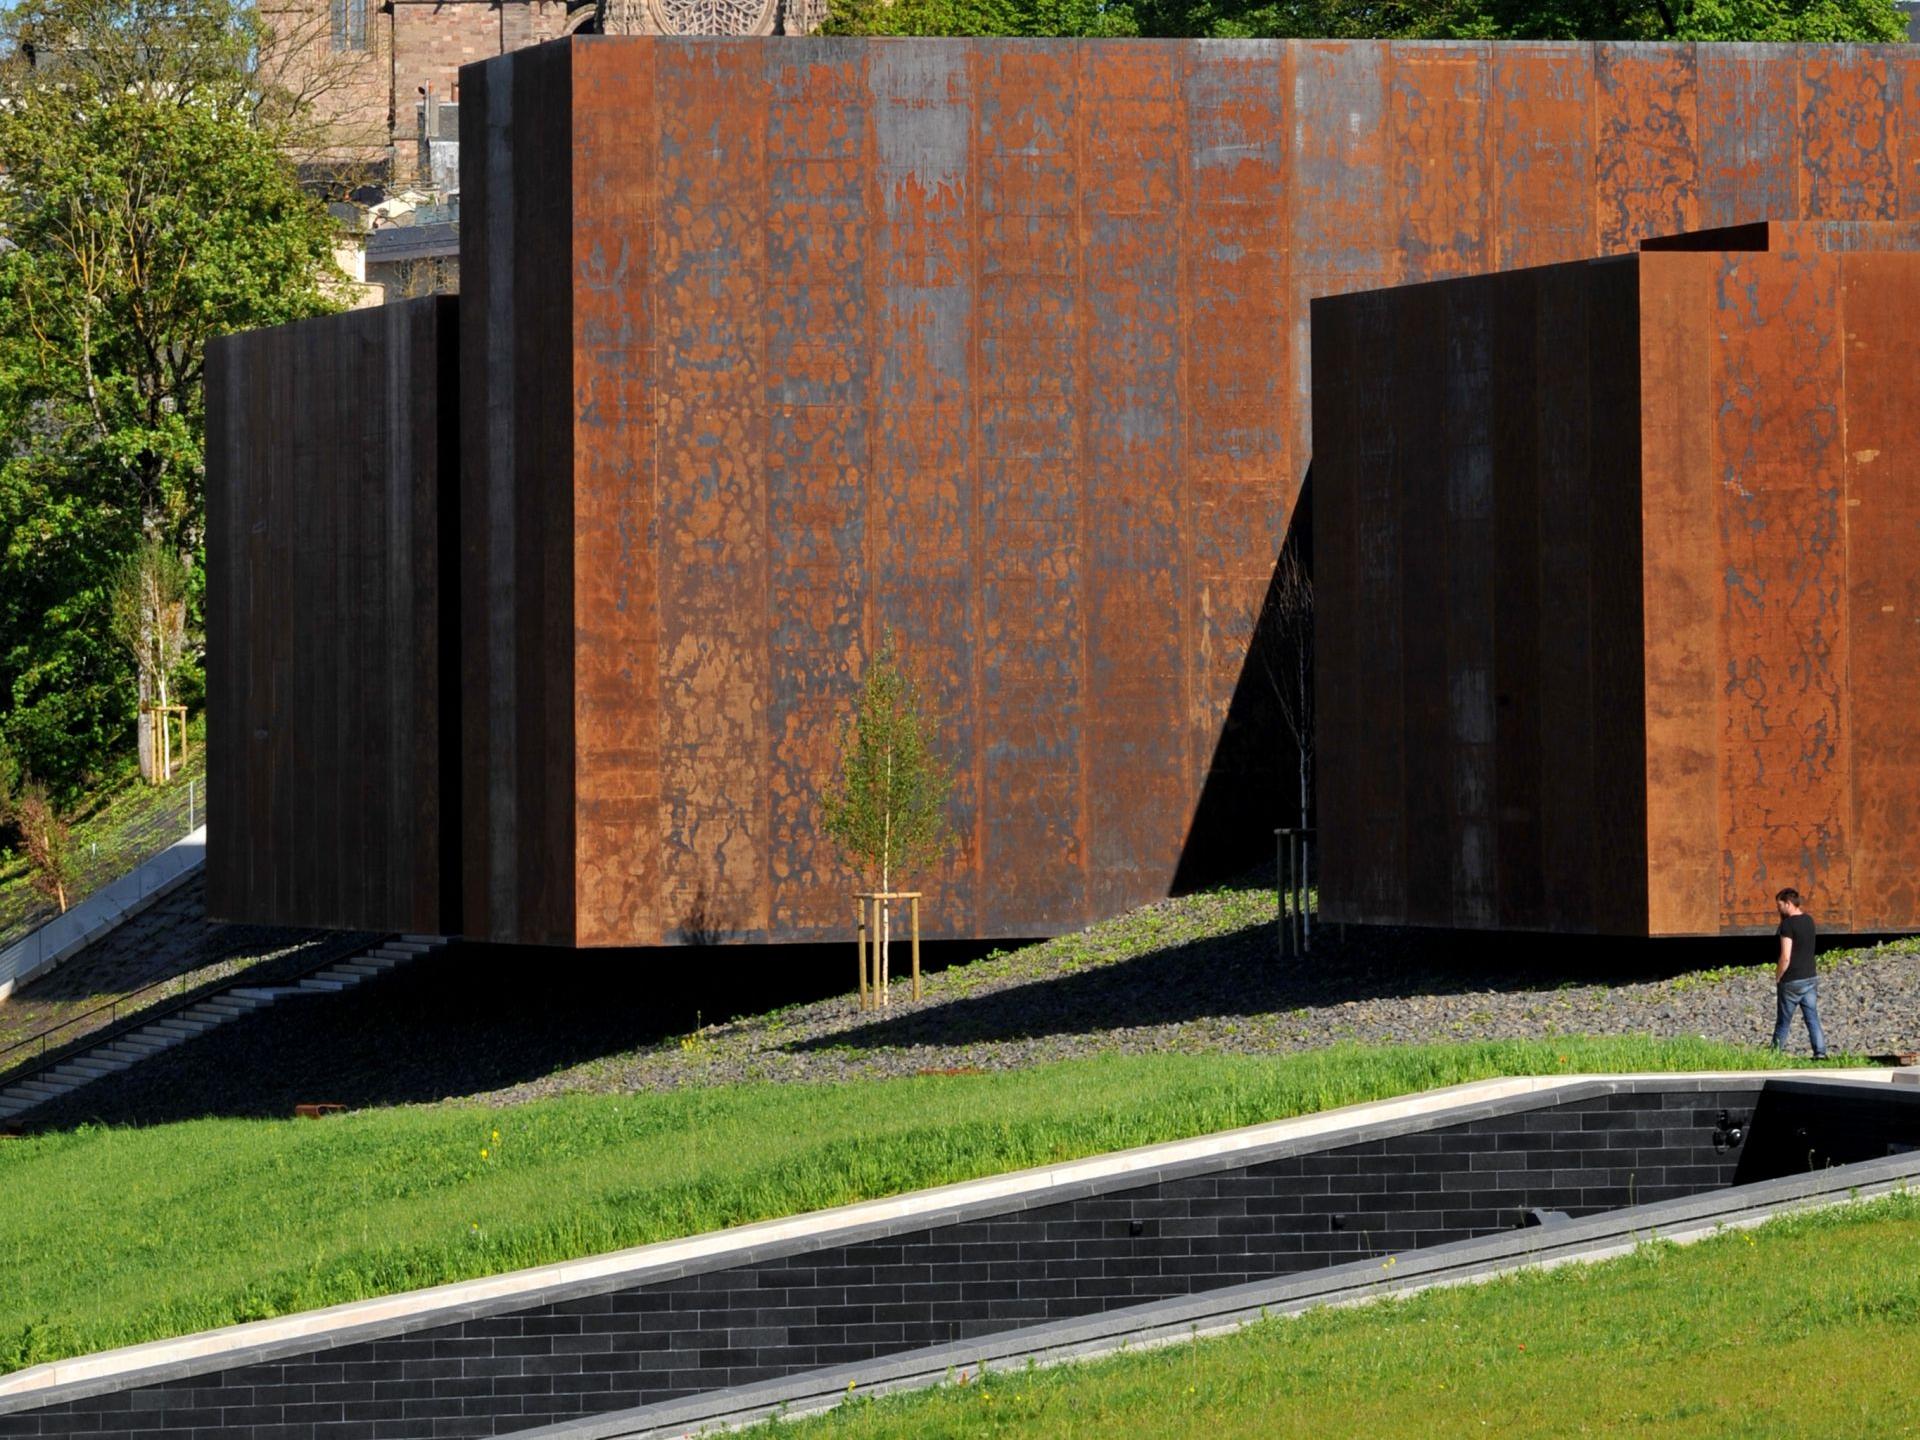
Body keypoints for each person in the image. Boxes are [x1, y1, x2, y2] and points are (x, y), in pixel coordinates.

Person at [1772, 888, 1827, 1059]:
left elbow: (1786, 957)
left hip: (1792, 980)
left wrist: (1778, 976)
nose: (1778, 909)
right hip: (1810, 977)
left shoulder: (1787, 925)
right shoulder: (1809, 920)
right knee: (1812, 1017)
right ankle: (1820, 1053)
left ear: (1788, 903)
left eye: (1779, 905)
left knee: (1783, 1021)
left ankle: (1774, 1055)